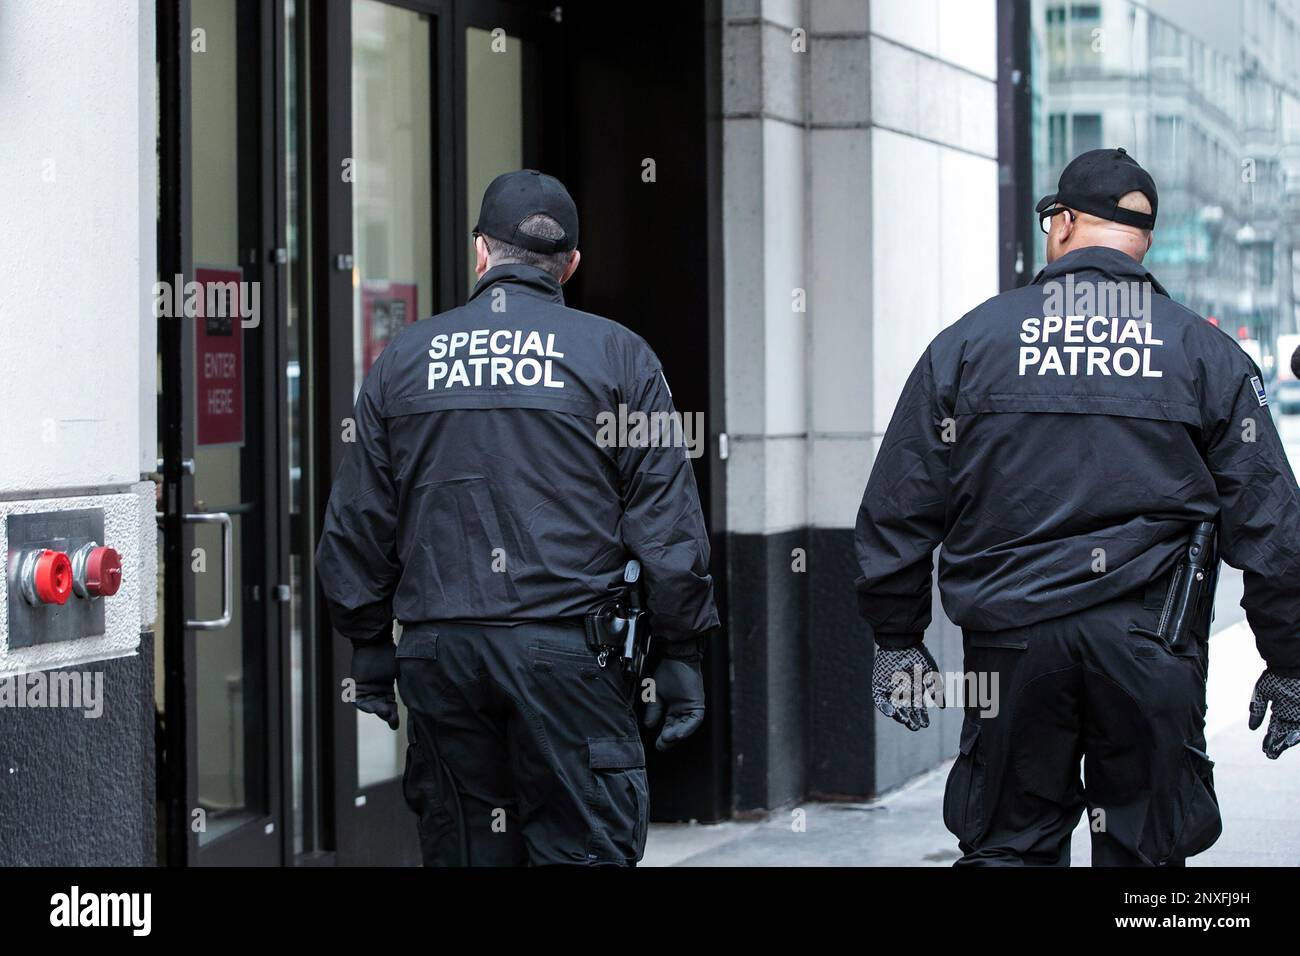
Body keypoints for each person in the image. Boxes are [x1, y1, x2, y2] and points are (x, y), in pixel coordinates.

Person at [853, 147, 1300, 866]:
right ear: (1143, 239)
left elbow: (898, 505)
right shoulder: (1203, 354)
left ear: (1061, 224)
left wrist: (897, 639)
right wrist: (1290, 659)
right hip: (1152, 642)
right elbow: (1272, 524)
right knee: (1144, 855)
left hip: (1012, 640)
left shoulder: (969, 345)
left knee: (1008, 844)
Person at [316, 169, 719, 866]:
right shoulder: (618, 356)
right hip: (568, 656)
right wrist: (681, 650)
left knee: (467, 849)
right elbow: (666, 522)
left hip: (441, 656)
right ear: (570, 264)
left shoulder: (404, 359)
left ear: (481, 252)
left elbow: (359, 518)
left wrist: (370, 644)